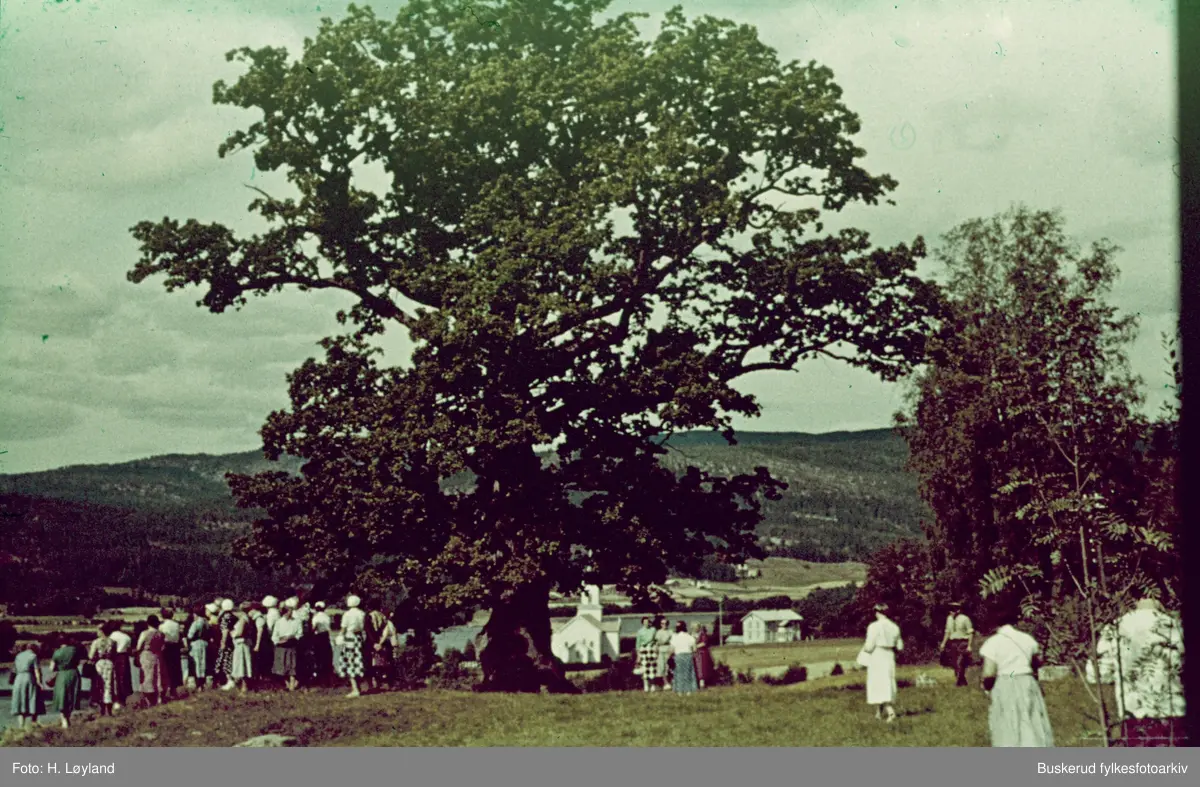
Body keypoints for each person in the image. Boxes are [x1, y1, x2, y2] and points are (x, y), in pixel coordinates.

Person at [1096, 596, 1186, 746]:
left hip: (1132, 710)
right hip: (1171, 709)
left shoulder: (1116, 627)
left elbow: (1098, 673)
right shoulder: (1173, 626)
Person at [978, 602, 1054, 747]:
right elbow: (1037, 662)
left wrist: (986, 686)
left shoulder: (993, 642)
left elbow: (989, 673)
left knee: (1008, 721)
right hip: (1027, 681)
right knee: (1032, 719)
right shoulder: (1027, 639)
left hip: (1006, 682)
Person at [861, 602, 903, 723]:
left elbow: (869, 647)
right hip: (889, 655)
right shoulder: (895, 627)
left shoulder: (873, 626)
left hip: (877, 655)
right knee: (887, 682)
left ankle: (890, 712)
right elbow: (900, 646)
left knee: (878, 683)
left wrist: (864, 651)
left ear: (877, 612)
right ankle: (878, 713)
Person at [9, 641, 47, 730]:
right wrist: (40, 682)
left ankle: (21, 726)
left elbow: (14, 670)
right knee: (33, 699)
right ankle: (34, 723)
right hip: (29, 678)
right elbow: (37, 671)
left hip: (18, 679)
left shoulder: (18, 656)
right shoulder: (34, 656)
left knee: (21, 701)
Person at [48, 636, 84, 729]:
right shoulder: (74, 650)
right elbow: (78, 662)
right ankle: (68, 719)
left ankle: (64, 721)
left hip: (62, 675)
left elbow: (51, 668)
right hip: (74, 673)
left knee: (62, 697)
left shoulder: (57, 652)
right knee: (71, 696)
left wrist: (59, 667)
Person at [940, 601, 975, 687]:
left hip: (962, 642)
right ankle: (963, 681)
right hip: (953, 643)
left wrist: (969, 645)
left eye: (953, 609)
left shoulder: (965, 619)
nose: (951, 611)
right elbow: (947, 632)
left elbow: (970, 633)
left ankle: (958, 683)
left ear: (958, 610)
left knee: (960, 662)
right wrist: (943, 643)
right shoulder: (949, 619)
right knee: (955, 663)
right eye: (950, 609)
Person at [137, 615, 168, 707]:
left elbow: (139, 647)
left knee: (147, 676)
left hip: (147, 655)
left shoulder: (144, 633)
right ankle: (159, 698)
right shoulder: (161, 634)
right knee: (158, 676)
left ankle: (148, 700)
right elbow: (163, 646)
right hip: (158, 655)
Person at [340, 594, 367, 697]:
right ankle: (358, 687)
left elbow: (343, 629)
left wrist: (339, 638)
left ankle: (355, 689)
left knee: (350, 662)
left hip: (349, 637)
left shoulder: (347, 614)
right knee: (358, 661)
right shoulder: (362, 614)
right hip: (359, 638)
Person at [88, 623, 117, 717]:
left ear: (101, 631)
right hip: (109, 663)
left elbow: (91, 656)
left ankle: (102, 710)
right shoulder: (112, 642)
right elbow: (114, 654)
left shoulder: (96, 642)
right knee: (109, 686)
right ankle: (109, 710)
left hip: (99, 664)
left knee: (100, 686)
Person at [272, 605, 302, 691]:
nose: (291, 612)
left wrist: (292, 637)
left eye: (291, 611)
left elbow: (300, 633)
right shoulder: (279, 622)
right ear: (284, 612)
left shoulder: (296, 621)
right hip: (281, 646)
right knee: (282, 666)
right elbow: (274, 636)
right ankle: (286, 683)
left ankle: (292, 683)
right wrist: (279, 641)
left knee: (292, 665)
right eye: (289, 611)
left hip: (292, 645)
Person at [228, 604, 255, 692]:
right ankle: (243, 685)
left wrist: (232, 633)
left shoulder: (243, 619)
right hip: (243, 643)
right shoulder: (247, 619)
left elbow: (240, 632)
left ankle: (244, 686)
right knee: (243, 664)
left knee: (242, 665)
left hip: (242, 644)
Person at [108, 622, 133, 711]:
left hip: (115, 657)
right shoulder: (126, 637)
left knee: (115, 679)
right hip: (124, 657)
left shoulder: (111, 637)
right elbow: (130, 651)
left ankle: (116, 700)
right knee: (124, 679)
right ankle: (123, 700)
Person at [159, 607, 183, 699]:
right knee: (175, 669)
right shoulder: (176, 624)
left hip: (166, 647)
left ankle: (165, 692)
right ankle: (174, 691)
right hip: (175, 648)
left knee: (166, 669)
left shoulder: (162, 626)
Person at [670, 621, 699, 695]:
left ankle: (680, 691)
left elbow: (672, 650)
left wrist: (670, 657)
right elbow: (695, 649)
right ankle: (688, 691)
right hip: (688, 656)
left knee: (679, 674)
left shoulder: (674, 637)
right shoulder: (690, 637)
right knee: (688, 673)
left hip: (678, 656)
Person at [310, 601, 334, 686]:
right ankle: (330, 680)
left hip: (318, 637)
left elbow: (313, 628)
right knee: (327, 659)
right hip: (326, 637)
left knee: (319, 659)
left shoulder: (315, 617)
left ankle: (321, 681)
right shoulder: (327, 617)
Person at [187, 606, 209, 691]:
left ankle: (199, 684)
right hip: (204, 643)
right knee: (203, 663)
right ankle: (203, 683)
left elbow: (190, 635)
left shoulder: (196, 623)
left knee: (197, 663)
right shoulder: (206, 621)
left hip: (196, 643)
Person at [215, 599, 237, 689]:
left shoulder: (226, 617)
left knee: (225, 660)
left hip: (227, 642)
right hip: (231, 641)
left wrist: (223, 642)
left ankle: (230, 681)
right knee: (228, 660)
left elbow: (225, 630)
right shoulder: (232, 616)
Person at [634, 617, 659, 692]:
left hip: (651, 649)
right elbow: (638, 644)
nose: (646, 623)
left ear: (649, 622)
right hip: (643, 649)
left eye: (647, 622)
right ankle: (646, 685)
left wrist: (656, 647)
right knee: (644, 668)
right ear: (642, 623)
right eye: (644, 622)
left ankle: (653, 685)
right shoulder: (640, 631)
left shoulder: (653, 630)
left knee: (652, 667)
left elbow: (656, 640)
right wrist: (638, 655)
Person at [654, 617, 674, 692]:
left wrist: (665, 642)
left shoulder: (670, 631)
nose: (664, 625)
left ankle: (670, 683)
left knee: (669, 667)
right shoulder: (658, 632)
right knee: (662, 667)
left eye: (665, 623)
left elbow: (672, 641)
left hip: (669, 651)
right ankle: (665, 683)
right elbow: (658, 642)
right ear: (660, 624)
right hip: (661, 651)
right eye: (662, 623)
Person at [693, 623, 715, 689]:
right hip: (694, 653)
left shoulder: (702, 635)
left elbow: (704, 643)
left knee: (702, 668)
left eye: (696, 627)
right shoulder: (692, 635)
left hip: (702, 653)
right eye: (693, 627)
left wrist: (695, 646)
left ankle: (702, 683)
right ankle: (696, 683)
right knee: (696, 668)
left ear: (699, 627)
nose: (694, 628)